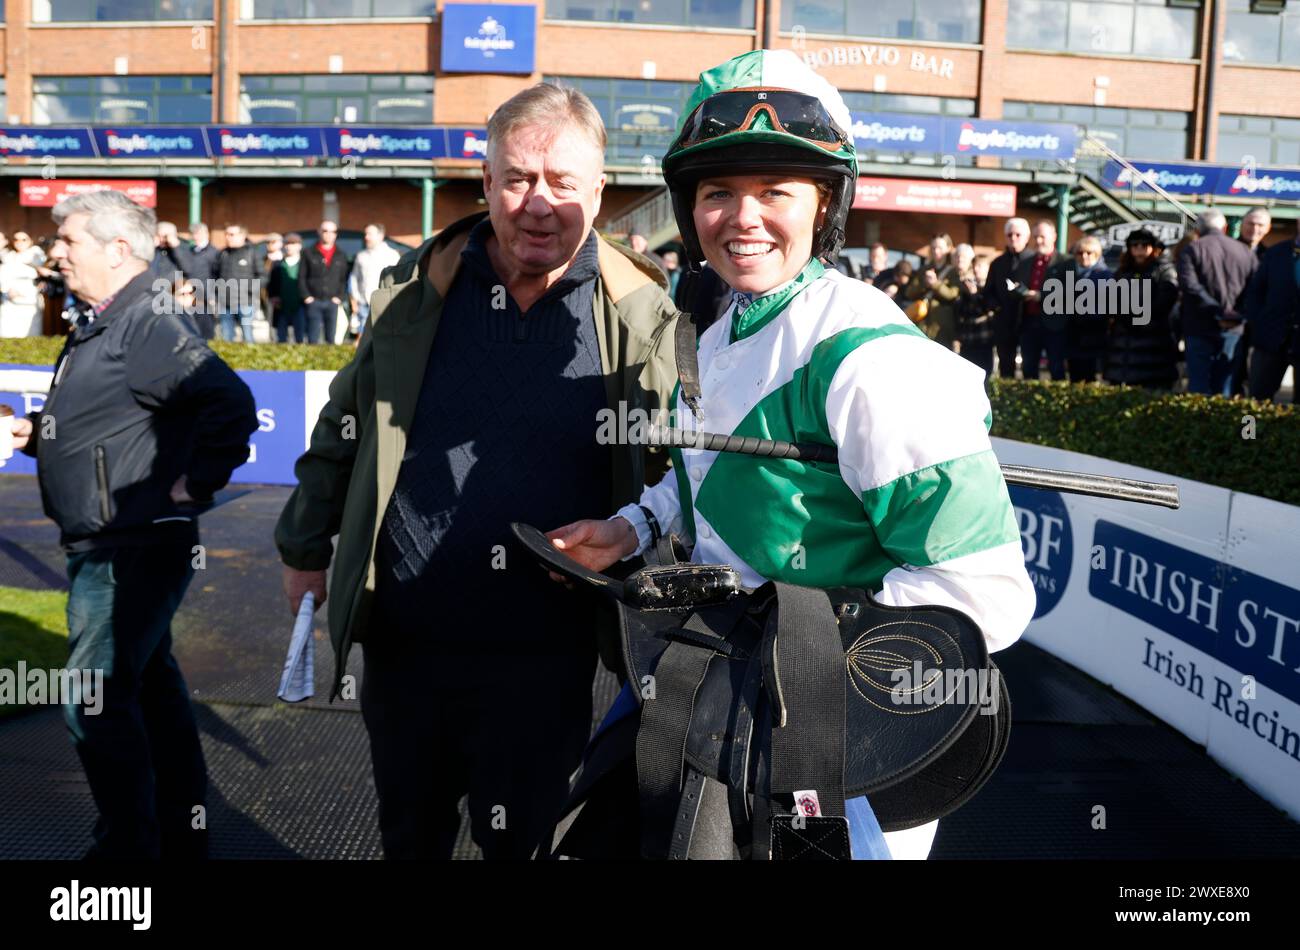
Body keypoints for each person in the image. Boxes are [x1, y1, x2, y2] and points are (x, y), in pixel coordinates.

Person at [544, 48, 1034, 861]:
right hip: (712, 696)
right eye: (718, 193)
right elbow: (705, 470)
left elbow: (984, 590)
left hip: (834, 748)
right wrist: (634, 526)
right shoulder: (719, 330)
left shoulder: (872, 358)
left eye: (776, 190)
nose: (742, 217)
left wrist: (799, 656)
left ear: (825, 203)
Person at [274, 81, 680, 860]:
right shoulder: (415, 290)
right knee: (410, 837)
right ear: (486, 182)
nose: (539, 204)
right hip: (407, 638)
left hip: (546, 653)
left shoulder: (642, 315)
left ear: (600, 192)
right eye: (519, 178)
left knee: (522, 844)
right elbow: (343, 426)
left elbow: (675, 473)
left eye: (563, 182)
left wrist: (632, 551)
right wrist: (303, 546)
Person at [12, 190, 257, 860]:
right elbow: (106, 421)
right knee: (151, 688)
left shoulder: (146, 323)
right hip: (115, 539)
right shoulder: (105, 321)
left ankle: (125, 854)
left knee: (91, 696)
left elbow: (230, 403)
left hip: (132, 544)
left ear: (119, 250)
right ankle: (180, 832)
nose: (57, 252)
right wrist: (36, 432)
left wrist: (195, 483)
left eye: (69, 240)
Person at [1177, 210, 1257, 396]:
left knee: (1198, 389)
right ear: (1225, 228)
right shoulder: (1244, 251)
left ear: (1197, 230)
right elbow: (1255, 289)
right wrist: (1235, 314)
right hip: (1233, 327)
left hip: (1199, 326)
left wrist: (1219, 311)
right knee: (1225, 388)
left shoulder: (1192, 249)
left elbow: (1190, 286)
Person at [1103, 229, 1180, 390]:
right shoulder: (1122, 272)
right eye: (1135, 245)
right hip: (1123, 344)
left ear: (1153, 248)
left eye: (1144, 245)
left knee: (1154, 390)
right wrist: (1124, 317)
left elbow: (1166, 300)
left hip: (1154, 342)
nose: (1139, 248)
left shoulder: (1164, 270)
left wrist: (1142, 318)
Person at [1243, 229, 1300, 402]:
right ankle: (1251, 425)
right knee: (1257, 401)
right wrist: (1259, 324)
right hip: (1270, 340)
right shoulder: (1276, 252)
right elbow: (1255, 293)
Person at [1011, 221, 1070, 380]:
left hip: (1055, 324)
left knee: (1056, 369)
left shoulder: (1066, 262)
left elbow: (1071, 292)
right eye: (1036, 237)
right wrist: (1019, 291)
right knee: (1028, 368)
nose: (1038, 241)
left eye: (1042, 237)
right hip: (1029, 323)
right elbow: (1019, 286)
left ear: (1054, 237)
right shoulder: (1025, 262)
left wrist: (1041, 295)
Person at [984, 217, 1033, 379]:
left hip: (1029, 322)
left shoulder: (1034, 260)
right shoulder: (997, 263)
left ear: (1027, 237)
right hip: (1004, 322)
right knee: (1005, 367)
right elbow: (988, 292)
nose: (1013, 238)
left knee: (1030, 367)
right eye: (1010, 235)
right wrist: (996, 306)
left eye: (1018, 234)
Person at [1233, 209, 1273, 396]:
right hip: (1229, 322)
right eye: (1250, 223)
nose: (1254, 229)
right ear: (1242, 224)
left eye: (1260, 225)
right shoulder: (1227, 250)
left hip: (1258, 326)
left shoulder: (1271, 256)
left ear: (1268, 228)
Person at [1064, 235, 1111, 382]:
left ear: (1097, 254)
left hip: (1095, 335)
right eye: (1080, 253)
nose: (1084, 256)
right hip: (1074, 337)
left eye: (1089, 253)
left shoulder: (1105, 276)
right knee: (1075, 377)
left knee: (1091, 376)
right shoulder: (1071, 274)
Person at [904, 233, 960, 349]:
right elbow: (909, 293)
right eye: (933, 248)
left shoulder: (953, 272)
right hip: (922, 325)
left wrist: (935, 284)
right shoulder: (924, 269)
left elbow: (953, 294)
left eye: (940, 248)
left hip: (942, 327)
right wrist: (924, 284)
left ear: (948, 248)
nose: (936, 251)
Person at [299, 220, 349, 344]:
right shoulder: (308, 253)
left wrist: (339, 297)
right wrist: (307, 297)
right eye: (325, 231)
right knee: (312, 339)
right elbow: (302, 277)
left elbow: (343, 279)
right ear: (319, 232)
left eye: (333, 231)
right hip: (313, 301)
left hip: (333, 302)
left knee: (331, 339)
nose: (329, 234)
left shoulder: (341, 254)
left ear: (336, 234)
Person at [348, 223, 400, 336]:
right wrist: (356, 299)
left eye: (370, 234)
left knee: (383, 336)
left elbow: (398, 280)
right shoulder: (361, 256)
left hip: (385, 305)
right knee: (364, 338)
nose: (366, 237)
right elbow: (354, 278)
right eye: (365, 234)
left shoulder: (392, 255)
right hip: (364, 304)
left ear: (380, 236)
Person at [216, 224, 260, 343]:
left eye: (231, 234)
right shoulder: (223, 253)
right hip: (225, 303)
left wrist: (249, 289)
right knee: (226, 337)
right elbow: (215, 275)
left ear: (242, 236)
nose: (227, 237)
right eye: (226, 234)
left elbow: (262, 276)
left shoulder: (252, 253)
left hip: (245, 302)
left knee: (248, 336)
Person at [0, 231, 49, 336]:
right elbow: (3, 276)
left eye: (24, 240)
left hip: (31, 301)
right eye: (16, 239)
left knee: (31, 333)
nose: (20, 242)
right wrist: (7, 290)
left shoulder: (37, 255)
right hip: (10, 301)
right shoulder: (8, 257)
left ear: (30, 241)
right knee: (8, 332)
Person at [957, 253, 996, 379]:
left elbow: (988, 310)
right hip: (967, 341)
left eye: (979, 266)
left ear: (988, 268)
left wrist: (975, 295)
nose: (976, 269)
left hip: (984, 340)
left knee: (984, 377)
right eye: (974, 266)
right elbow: (960, 312)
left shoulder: (991, 288)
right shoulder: (966, 288)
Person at [268, 233, 307, 343]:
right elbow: (271, 284)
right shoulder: (278, 264)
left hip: (300, 305)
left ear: (299, 246)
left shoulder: (304, 264)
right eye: (287, 243)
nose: (289, 246)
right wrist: (273, 296)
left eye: (292, 243)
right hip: (281, 306)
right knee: (281, 338)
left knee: (300, 337)